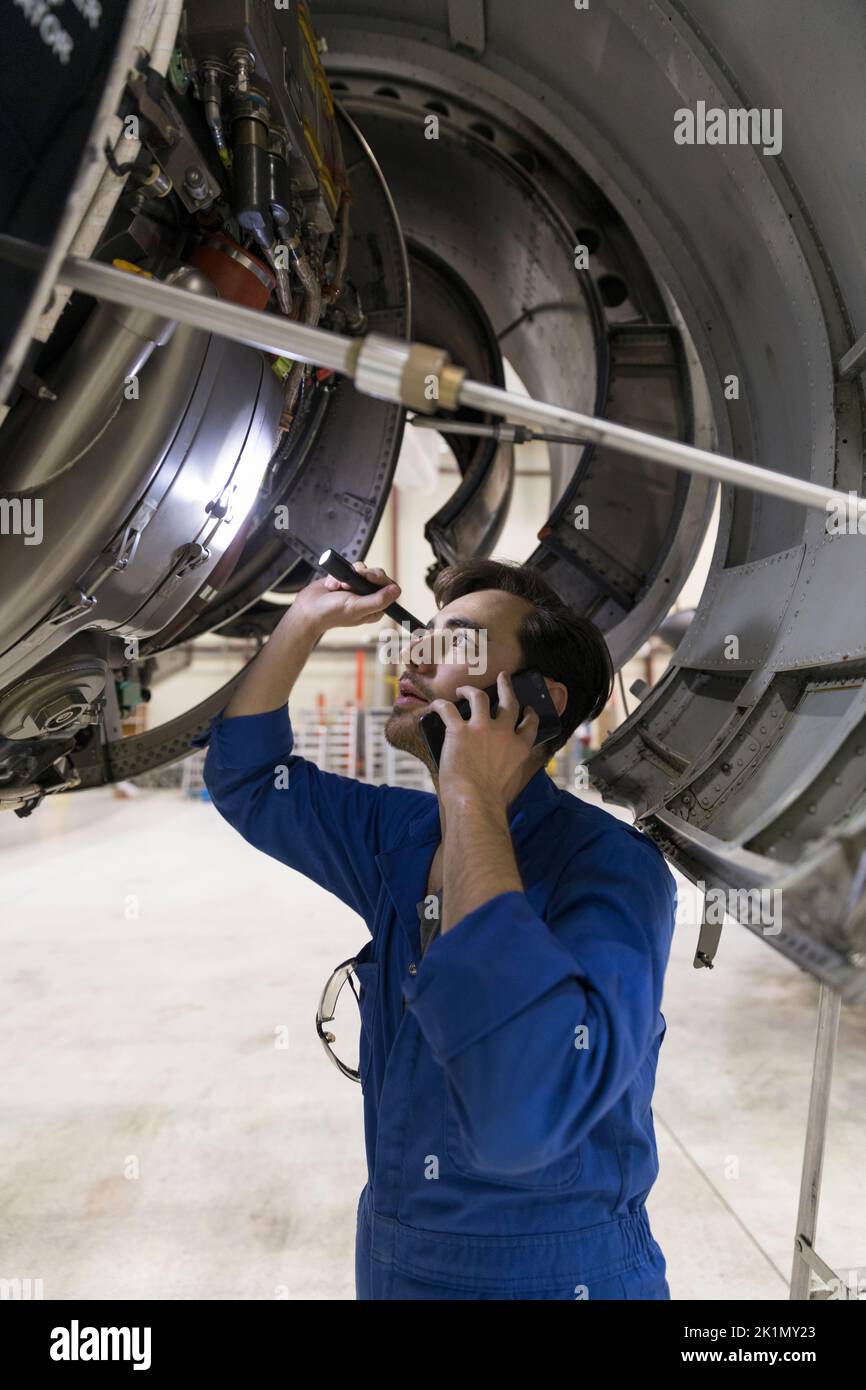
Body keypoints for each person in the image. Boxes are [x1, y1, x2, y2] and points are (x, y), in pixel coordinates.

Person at [192, 557, 677, 1300]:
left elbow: (525, 1108)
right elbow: (251, 779)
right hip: (394, 1261)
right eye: (423, 636)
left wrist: (469, 790)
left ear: (535, 702)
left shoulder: (611, 871)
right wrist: (303, 621)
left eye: (459, 644)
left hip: (557, 1278)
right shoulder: (401, 836)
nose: (413, 654)